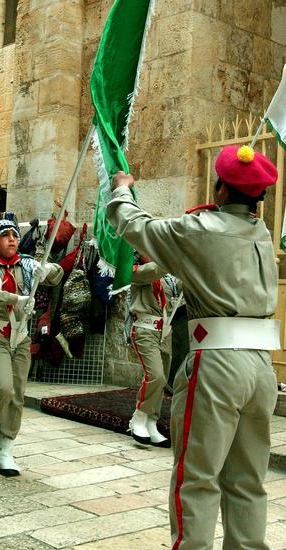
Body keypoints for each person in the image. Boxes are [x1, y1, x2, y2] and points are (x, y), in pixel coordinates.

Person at [107, 144, 279, 549]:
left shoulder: (198, 230)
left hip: (217, 364)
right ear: (259, 196)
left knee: (197, 478)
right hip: (261, 368)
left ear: (219, 189)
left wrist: (122, 188)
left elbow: (132, 225)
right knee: (248, 482)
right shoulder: (263, 233)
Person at [0, 219, 63, 477]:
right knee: (2, 386)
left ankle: (6, 448)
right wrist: (16, 299)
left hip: (20, 336)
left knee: (18, 393)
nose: (12, 239)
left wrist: (47, 270)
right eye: (6, 236)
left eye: (15, 235)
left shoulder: (26, 263)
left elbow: (57, 277)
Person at [129, 254, 180, 448]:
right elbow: (150, 272)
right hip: (145, 330)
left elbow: (178, 289)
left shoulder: (165, 276)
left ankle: (151, 421)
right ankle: (139, 416)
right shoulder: (135, 271)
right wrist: (174, 258)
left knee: (163, 379)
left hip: (164, 331)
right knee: (155, 376)